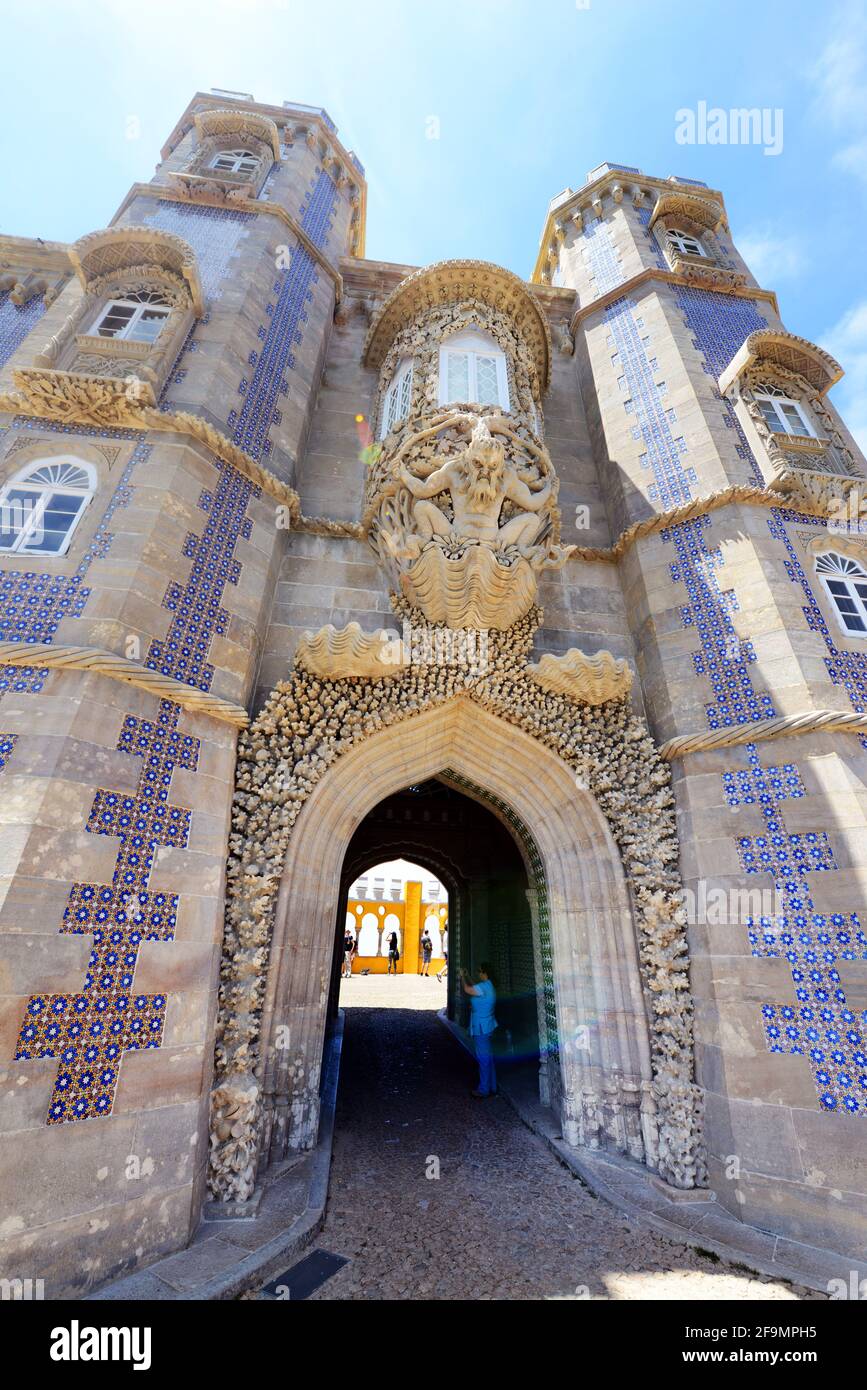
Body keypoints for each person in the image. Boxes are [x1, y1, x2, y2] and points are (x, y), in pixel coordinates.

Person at [460, 963, 498, 1097]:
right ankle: (492, 1086)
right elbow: (474, 988)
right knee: (488, 1058)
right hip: (487, 1026)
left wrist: (462, 977)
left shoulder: (484, 987)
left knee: (483, 1059)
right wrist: (468, 975)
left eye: (479, 971)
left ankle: (483, 1089)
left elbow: (467, 989)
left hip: (481, 1028)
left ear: (484, 972)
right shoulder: (488, 986)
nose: (478, 974)